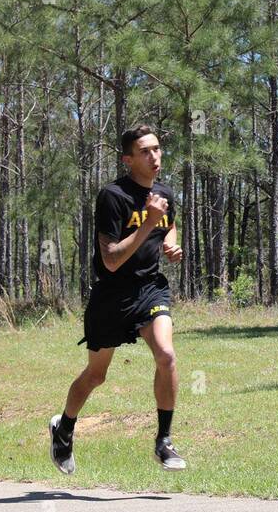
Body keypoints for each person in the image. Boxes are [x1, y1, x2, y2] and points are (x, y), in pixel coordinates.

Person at [49, 125, 186, 473]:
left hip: (150, 288)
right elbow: (110, 259)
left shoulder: (164, 192)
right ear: (128, 160)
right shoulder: (113, 196)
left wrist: (169, 240)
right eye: (145, 151)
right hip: (111, 295)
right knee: (96, 375)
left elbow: (168, 223)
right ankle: (63, 428)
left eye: (157, 149)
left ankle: (164, 441)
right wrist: (148, 223)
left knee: (166, 355)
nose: (154, 156)